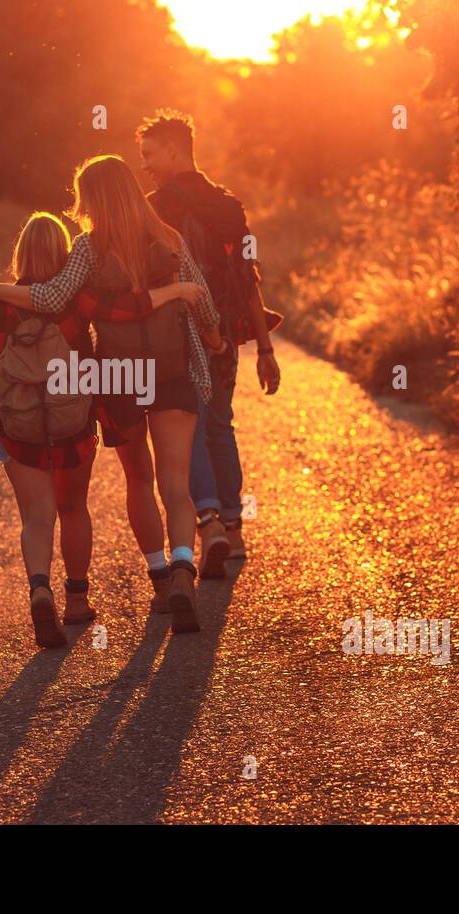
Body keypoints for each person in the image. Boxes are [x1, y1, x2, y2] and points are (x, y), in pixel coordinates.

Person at [0, 156, 225, 634]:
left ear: (92, 199)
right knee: (175, 484)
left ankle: (158, 577)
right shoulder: (170, 240)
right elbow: (205, 306)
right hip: (173, 374)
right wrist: (214, 342)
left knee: (140, 479)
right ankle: (182, 570)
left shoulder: (88, 250)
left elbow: (52, 298)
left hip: (117, 378)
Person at [0, 212, 203, 647]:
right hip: (72, 422)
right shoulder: (77, 298)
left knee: (36, 517)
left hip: (17, 426)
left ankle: (40, 589)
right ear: (64, 254)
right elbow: (124, 310)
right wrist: (175, 292)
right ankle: (77, 601)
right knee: (73, 508)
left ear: (20, 252)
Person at [136, 110, 283, 577]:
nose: (145, 166)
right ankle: (234, 532)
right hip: (225, 338)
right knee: (221, 425)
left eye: (150, 155)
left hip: (176, 338)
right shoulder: (229, 206)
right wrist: (264, 348)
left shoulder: (154, 208)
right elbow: (247, 279)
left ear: (176, 150)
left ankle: (209, 523)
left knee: (188, 431)